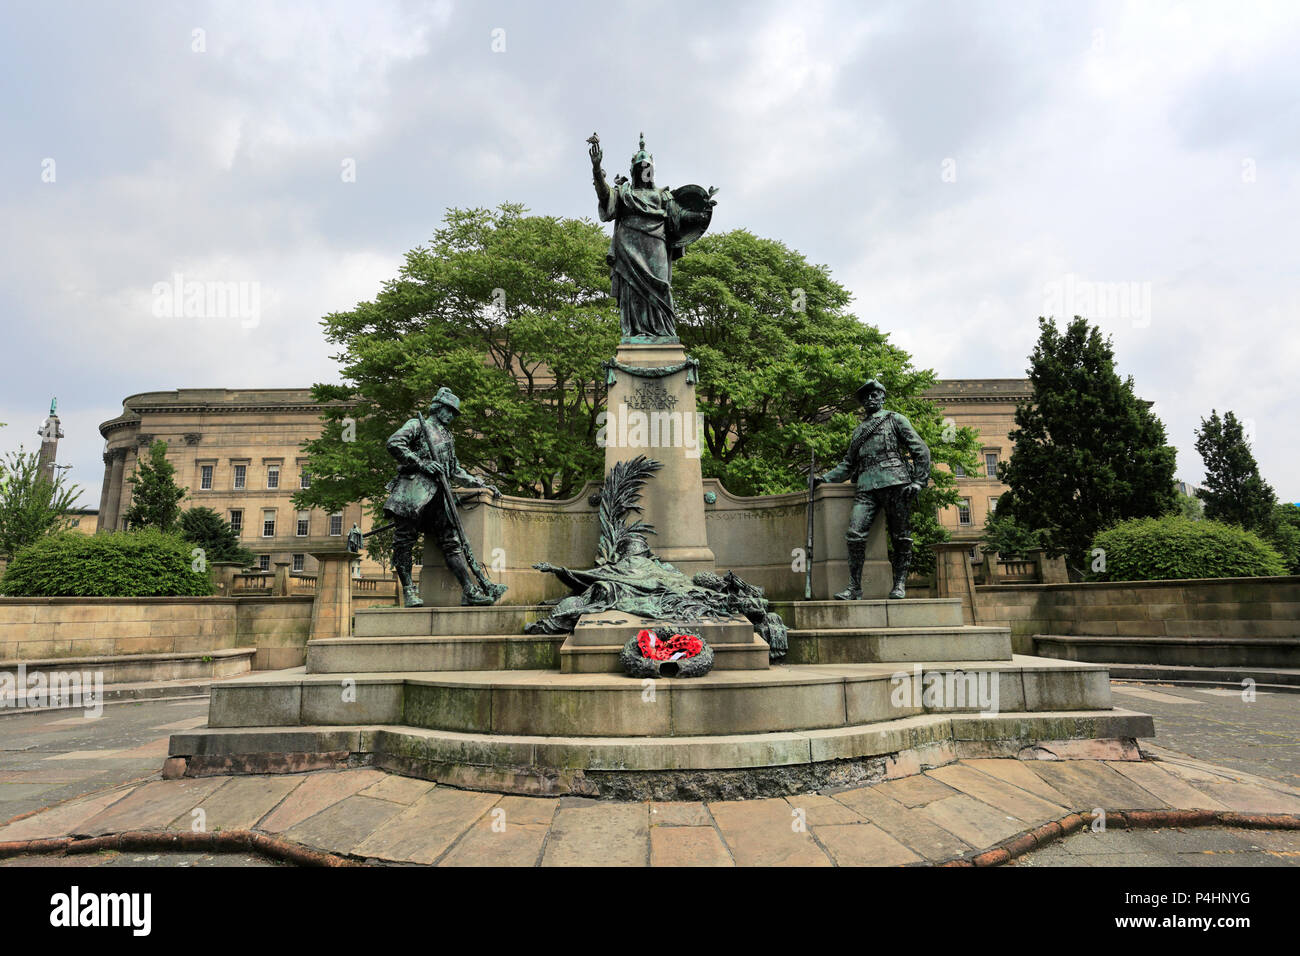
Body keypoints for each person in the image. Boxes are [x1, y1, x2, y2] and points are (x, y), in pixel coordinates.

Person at [382, 387, 502, 608]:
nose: (452, 416)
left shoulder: (447, 436)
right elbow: (394, 443)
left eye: (454, 413)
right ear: (438, 408)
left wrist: (479, 483)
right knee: (404, 542)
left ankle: (469, 590)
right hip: (412, 493)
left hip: (439, 496)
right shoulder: (417, 425)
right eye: (449, 411)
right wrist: (421, 463)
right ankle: (409, 591)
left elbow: (454, 469)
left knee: (452, 543)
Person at [816, 378, 931, 600]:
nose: (870, 398)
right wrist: (825, 478)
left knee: (901, 537)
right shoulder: (859, 431)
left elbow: (921, 450)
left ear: (882, 397)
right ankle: (854, 588)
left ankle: (899, 584)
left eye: (874, 394)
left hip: (896, 483)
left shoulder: (894, 419)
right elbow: (848, 464)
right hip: (866, 486)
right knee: (854, 535)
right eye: (866, 396)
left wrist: (919, 481)